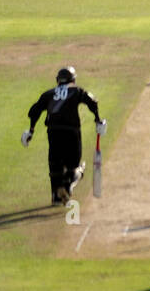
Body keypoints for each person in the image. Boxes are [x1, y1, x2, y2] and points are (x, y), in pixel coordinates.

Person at [22, 66, 105, 205]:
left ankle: (56, 196)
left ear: (57, 80)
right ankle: (69, 185)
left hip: (53, 132)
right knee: (74, 166)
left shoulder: (48, 94)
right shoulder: (76, 90)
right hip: (71, 131)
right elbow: (92, 101)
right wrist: (98, 120)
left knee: (55, 164)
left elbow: (34, 111)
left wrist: (30, 131)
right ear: (73, 80)